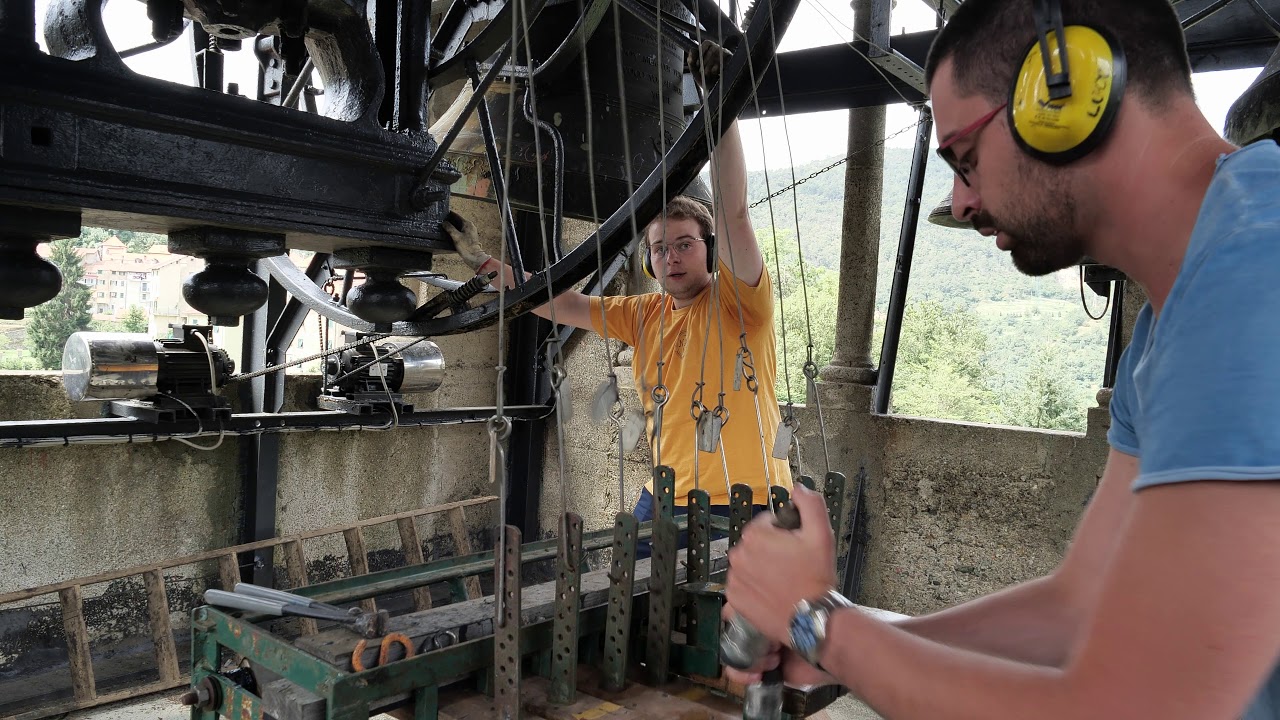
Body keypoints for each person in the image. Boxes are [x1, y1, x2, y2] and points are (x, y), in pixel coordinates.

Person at [721, 0, 1280, 717]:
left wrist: (818, 623)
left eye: (965, 158)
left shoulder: (1255, 262)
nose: (960, 202)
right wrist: (843, 645)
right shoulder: (1164, 332)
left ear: (1066, 95)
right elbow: (1075, 608)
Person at [444, 41, 792, 554]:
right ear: (649, 260)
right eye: (660, 248)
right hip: (666, 494)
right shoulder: (646, 313)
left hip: (746, 499)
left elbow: (733, 212)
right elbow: (564, 303)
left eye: (685, 244)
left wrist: (722, 100)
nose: (671, 257)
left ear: (710, 249)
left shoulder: (741, 305)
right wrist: (485, 267)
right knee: (627, 595)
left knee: (720, 607)